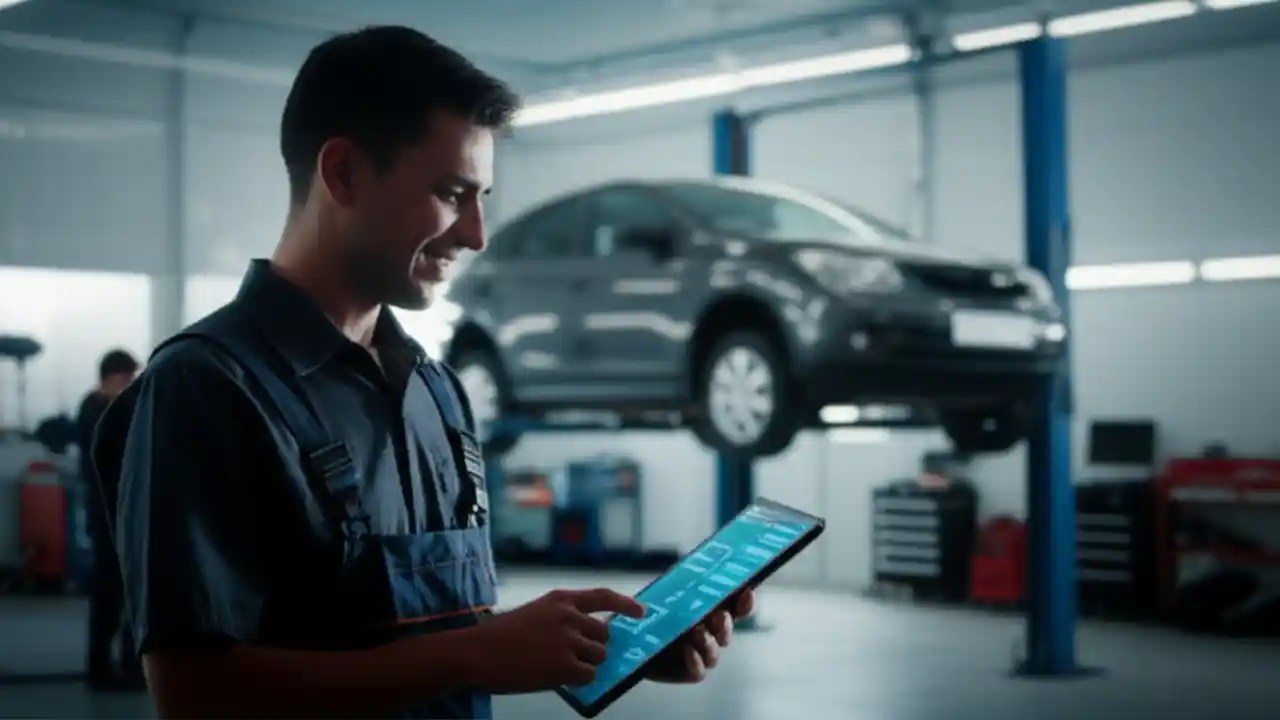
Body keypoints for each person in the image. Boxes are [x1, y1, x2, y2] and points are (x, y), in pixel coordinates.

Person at [92, 26, 753, 719]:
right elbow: (194, 694)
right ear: (344, 174)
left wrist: (607, 648)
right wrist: (477, 655)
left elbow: (431, 631)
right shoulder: (204, 388)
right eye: (451, 193)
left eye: (482, 197)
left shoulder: (436, 392)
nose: (476, 235)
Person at [76, 349, 141, 690]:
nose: (130, 385)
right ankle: (103, 668)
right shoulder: (97, 413)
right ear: (113, 376)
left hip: (115, 514)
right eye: (127, 378)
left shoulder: (99, 409)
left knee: (120, 594)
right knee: (109, 595)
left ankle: (118, 666)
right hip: (107, 517)